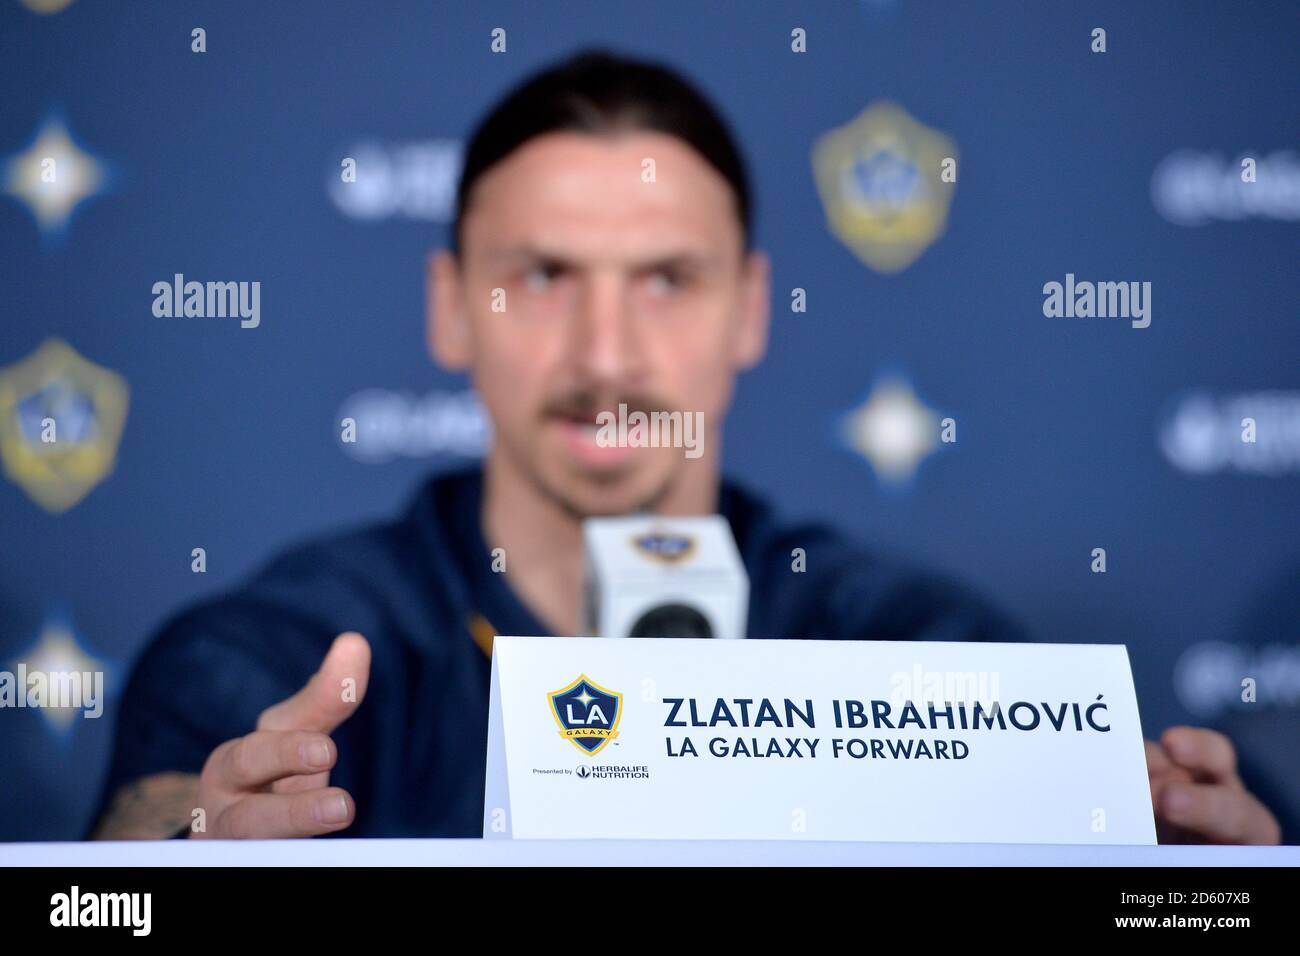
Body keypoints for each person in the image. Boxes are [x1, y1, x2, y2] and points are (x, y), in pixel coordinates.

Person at [90, 49, 1281, 844]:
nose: (605, 354)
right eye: (543, 276)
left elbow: (1170, 837)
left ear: (752, 308)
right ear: (450, 306)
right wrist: (194, 855)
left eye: (667, 278)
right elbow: (123, 863)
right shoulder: (283, 659)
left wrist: (1206, 875)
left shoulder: (913, 649)